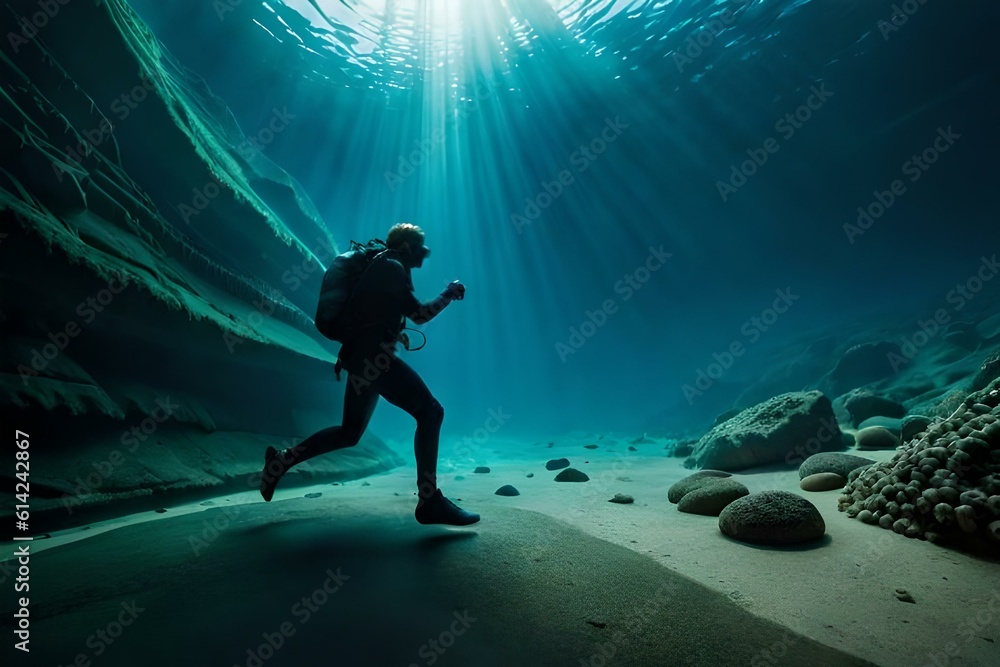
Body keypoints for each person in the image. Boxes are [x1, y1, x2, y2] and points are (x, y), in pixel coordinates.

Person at [258, 223, 480, 526]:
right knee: (431, 412)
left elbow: (371, 313)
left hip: (360, 357)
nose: (422, 256)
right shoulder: (391, 266)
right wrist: (449, 293)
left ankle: (280, 461)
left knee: (349, 432)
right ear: (405, 247)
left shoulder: (380, 266)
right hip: (373, 359)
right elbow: (419, 314)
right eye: (419, 249)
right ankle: (429, 501)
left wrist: (390, 332)